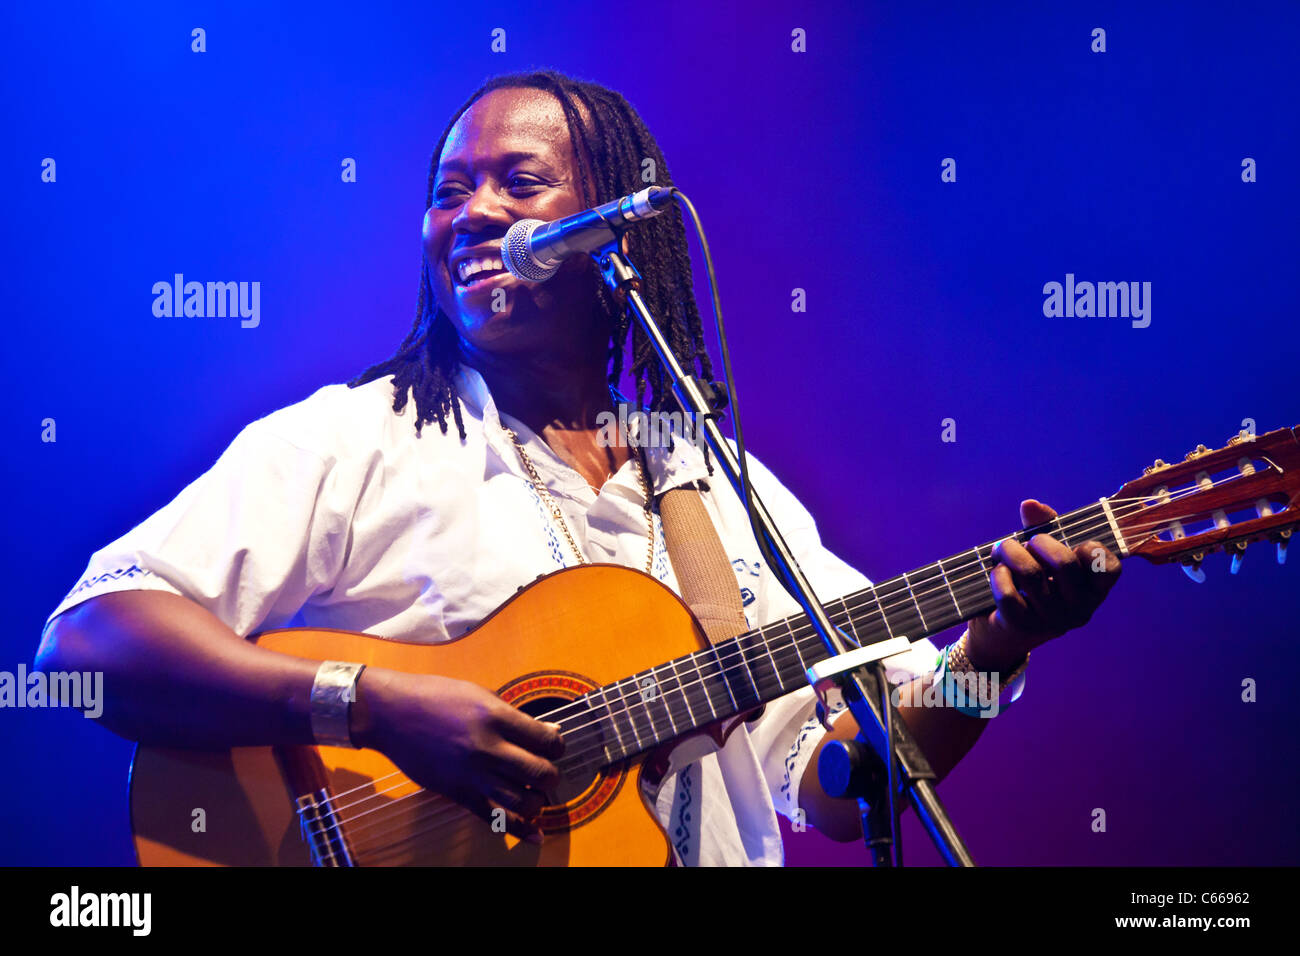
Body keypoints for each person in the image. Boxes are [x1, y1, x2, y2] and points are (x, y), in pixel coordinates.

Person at [36, 70, 1121, 866]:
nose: (474, 217)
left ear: (617, 231)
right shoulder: (357, 437)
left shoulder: (711, 486)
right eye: (450, 188)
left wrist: (1000, 637)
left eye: (519, 182)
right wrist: (370, 707)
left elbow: (849, 790)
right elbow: (87, 641)